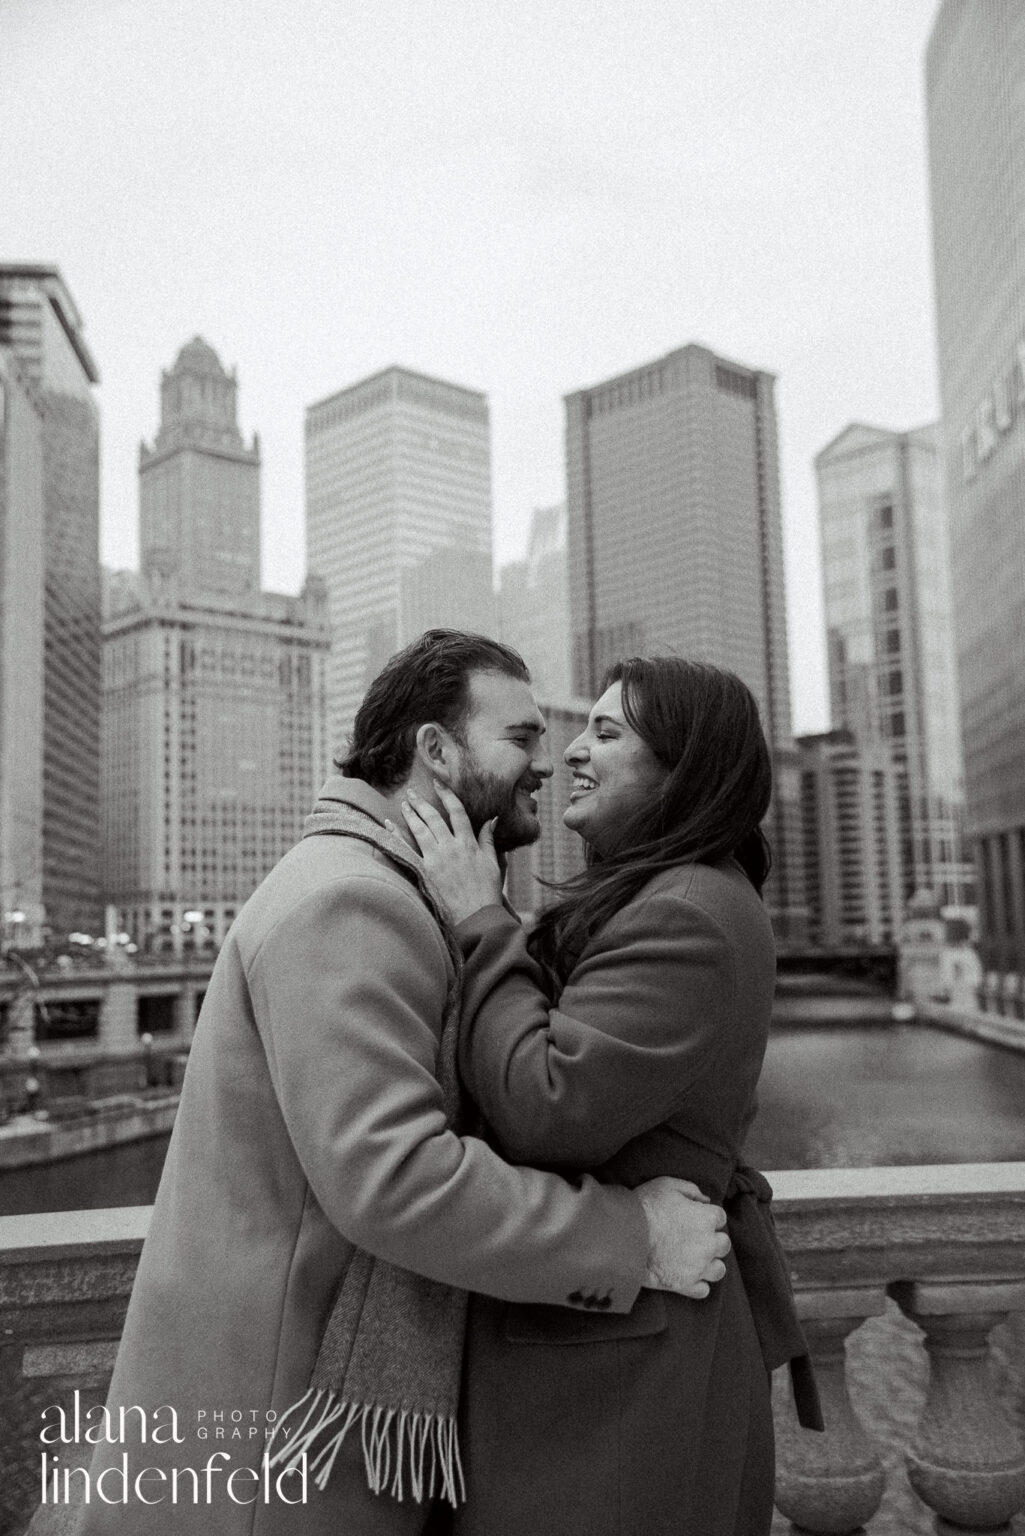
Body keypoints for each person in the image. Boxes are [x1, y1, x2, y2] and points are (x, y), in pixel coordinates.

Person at [74, 633, 730, 1536]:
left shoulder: (377, 884)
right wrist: (630, 1238)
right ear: (434, 751)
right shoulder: (354, 902)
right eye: (521, 740)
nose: (547, 763)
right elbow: (393, 1178)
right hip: (276, 1441)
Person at [401, 656, 823, 1536]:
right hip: (603, 1340)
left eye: (606, 732)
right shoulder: (659, 896)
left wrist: (482, 920)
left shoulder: (688, 911)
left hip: (628, 1371)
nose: (570, 755)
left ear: (684, 766)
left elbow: (548, 1104)